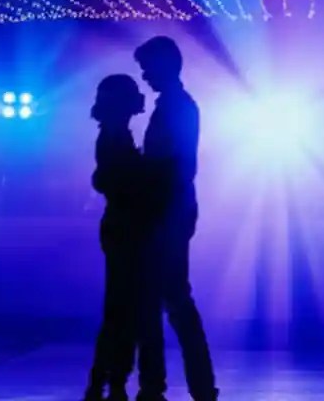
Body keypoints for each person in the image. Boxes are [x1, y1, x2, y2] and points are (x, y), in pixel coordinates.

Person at [134, 36, 218, 401]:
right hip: (171, 211)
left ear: (164, 66)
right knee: (171, 301)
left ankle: (159, 387)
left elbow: (177, 166)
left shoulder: (176, 107)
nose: (144, 74)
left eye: (147, 67)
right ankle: (194, 386)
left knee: (166, 302)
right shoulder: (177, 105)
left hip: (165, 214)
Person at [85, 74, 166, 401]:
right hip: (128, 231)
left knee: (120, 310)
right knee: (128, 311)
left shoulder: (113, 135)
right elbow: (120, 181)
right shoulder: (116, 137)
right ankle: (112, 381)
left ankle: (107, 381)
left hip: (122, 229)